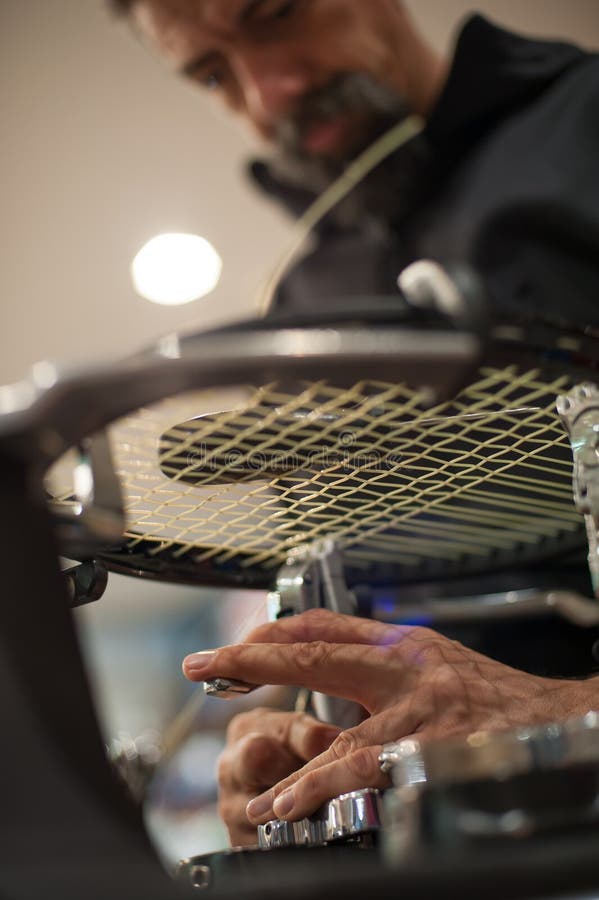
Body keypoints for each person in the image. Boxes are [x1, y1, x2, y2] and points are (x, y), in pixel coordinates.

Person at [109, 0, 599, 846]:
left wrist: (565, 712)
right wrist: (312, 745)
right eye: (212, 73)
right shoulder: (304, 299)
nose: (269, 96)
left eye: (274, 14)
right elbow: (372, 621)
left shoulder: (584, 126)